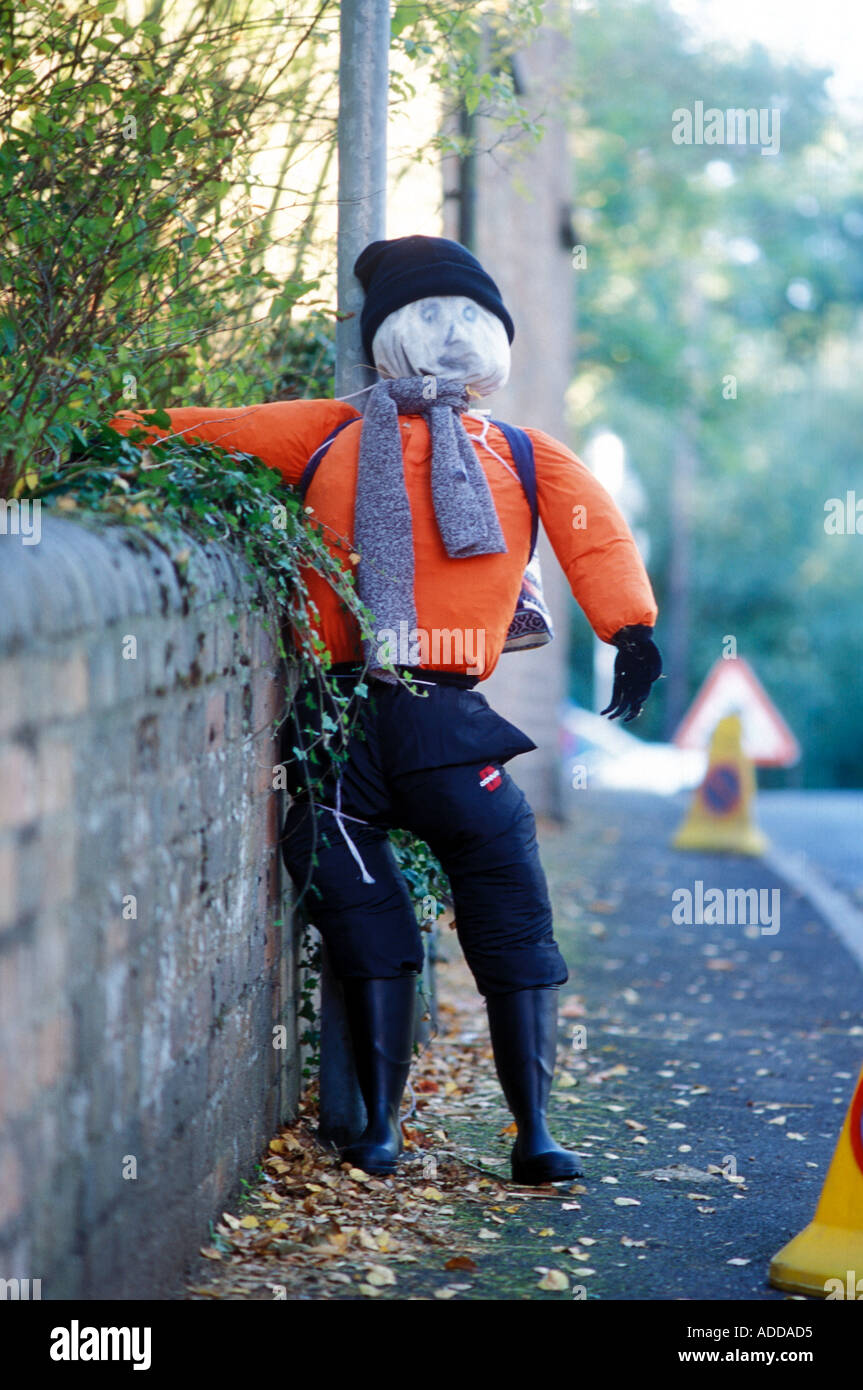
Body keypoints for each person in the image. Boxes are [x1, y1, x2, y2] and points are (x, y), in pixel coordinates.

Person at [109, 234, 662, 1184]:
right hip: (392, 727)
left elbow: (595, 537)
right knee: (449, 919)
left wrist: (631, 628)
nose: (452, 341)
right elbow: (187, 429)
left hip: (389, 726)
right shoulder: (422, 443)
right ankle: (460, 1132)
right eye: (440, 322)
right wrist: (632, 633)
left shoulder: (402, 441)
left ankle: (456, 1131)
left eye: (467, 324)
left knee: (473, 922)